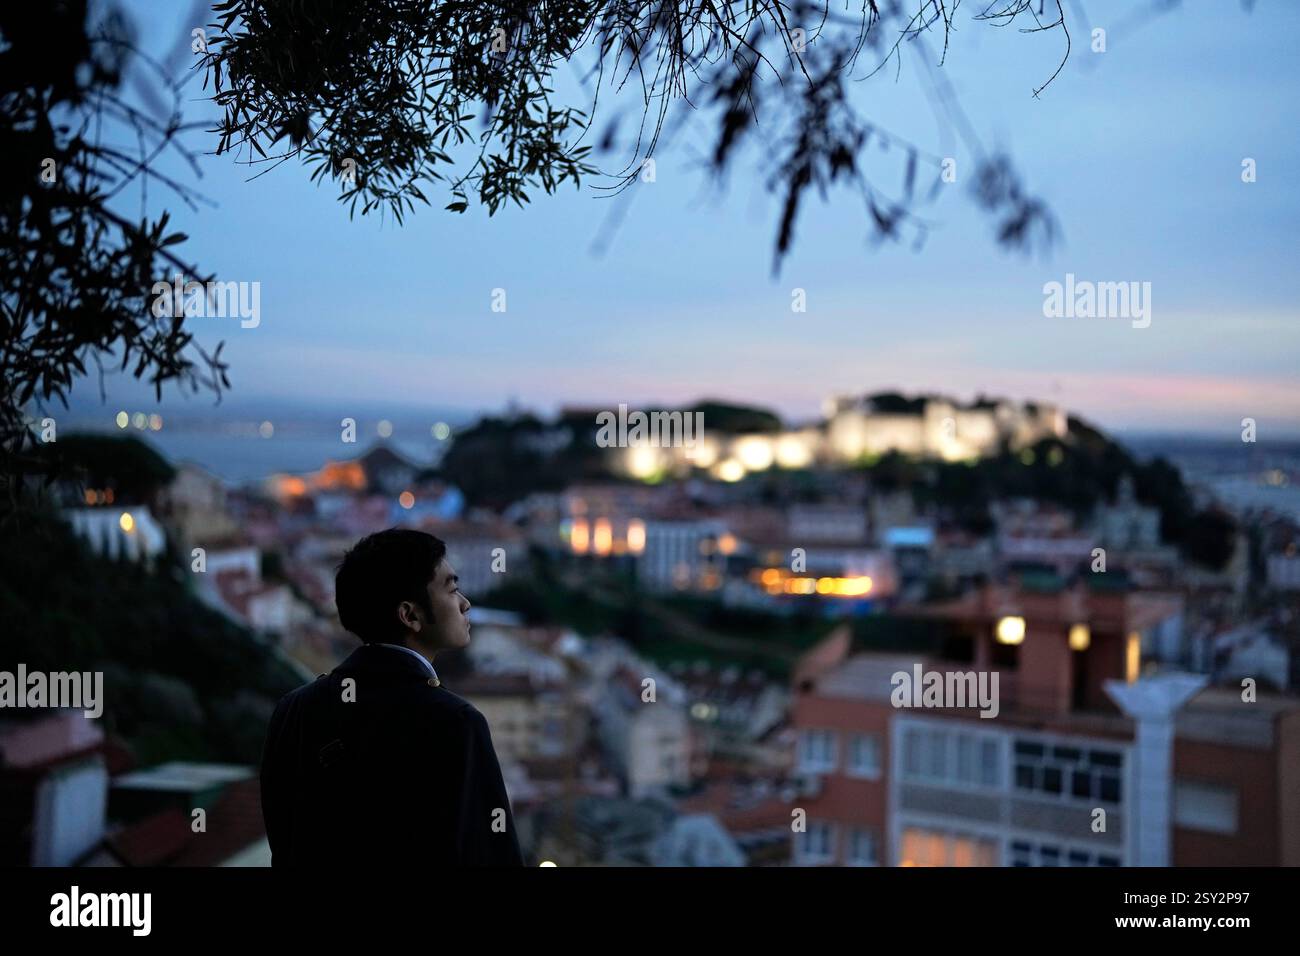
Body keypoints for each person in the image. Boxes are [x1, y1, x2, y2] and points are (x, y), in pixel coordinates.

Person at [260, 528, 524, 866]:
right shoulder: (454, 721)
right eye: (452, 589)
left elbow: (284, 844)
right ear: (410, 615)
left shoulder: (293, 709)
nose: (465, 603)